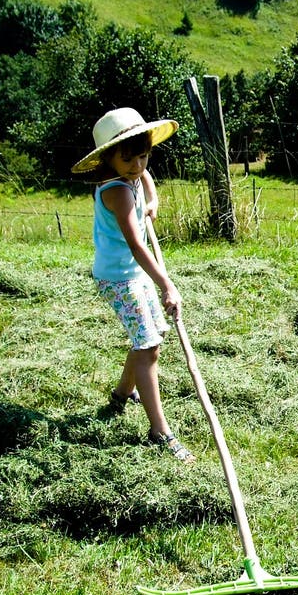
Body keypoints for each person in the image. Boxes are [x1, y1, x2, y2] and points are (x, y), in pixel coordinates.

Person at [71, 107, 194, 464]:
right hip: (119, 276)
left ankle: (123, 393)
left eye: (143, 156)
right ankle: (160, 431)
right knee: (150, 345)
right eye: (129, 160)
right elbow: (137, 246)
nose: (138, 165)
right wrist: (167, 285)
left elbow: (146, 177)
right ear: (107, 158)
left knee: (151, 336)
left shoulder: (133, 173)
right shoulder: (116, 192)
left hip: (133, 273)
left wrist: (151, 203)